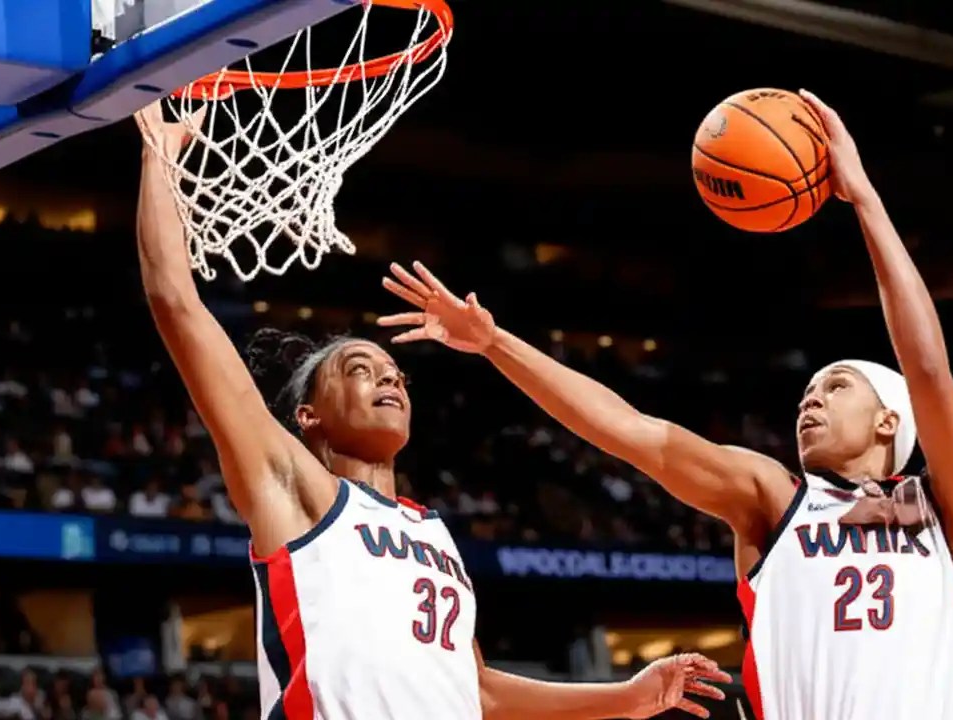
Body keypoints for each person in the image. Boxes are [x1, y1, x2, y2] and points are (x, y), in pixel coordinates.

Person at [378, 90, 953, 720]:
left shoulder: (945, 513)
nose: (810, 402)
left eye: (836, 387)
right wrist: (495, 344)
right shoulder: (773, 498)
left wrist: (865, 199)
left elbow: (928, 369)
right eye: (808, 393)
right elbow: (630, 431)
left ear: (889, 421)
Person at [134, 103, 730, 720]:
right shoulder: (294, 488)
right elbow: (175, 301)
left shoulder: (431, 530)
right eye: (359, 370)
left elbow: (478, 690)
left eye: (395, 373)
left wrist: (629, 697)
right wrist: (160, 155)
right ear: (308, 417)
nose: (388, 379)